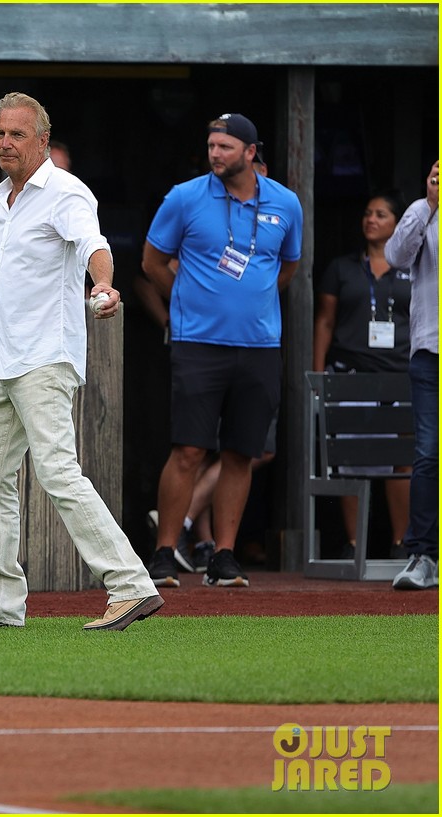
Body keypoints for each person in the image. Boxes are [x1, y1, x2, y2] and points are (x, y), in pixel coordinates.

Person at [0, 92, 162, 632]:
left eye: (17, 134)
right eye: (0, 134)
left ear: (42, 141)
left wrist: (104, 285)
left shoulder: (66, 191)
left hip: (46, 358)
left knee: (58, 472)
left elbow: (94, 245)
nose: (5, 143)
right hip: (4, 363)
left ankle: (131, 585)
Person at [142, 113, 303, 588]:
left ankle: (224, 555)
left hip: (259, 346)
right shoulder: (185, 196)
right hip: (198, 343)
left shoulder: (286, 203)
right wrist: (188, 304)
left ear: (250, 152)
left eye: (226, 147)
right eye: (212, 145)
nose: (215, 153)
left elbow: (288, 267)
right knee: (189, 448)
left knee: (241, 451)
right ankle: (164, 552)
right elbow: (152, 262)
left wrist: (254, 303)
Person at [313, 192, 412, 556]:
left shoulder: (415, 266)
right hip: (351, 373)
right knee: (350, 455)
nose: (371, 219)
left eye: (381, 214)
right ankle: (354, 543)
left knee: (402, 458)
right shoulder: (342, 267)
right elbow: (325, 321)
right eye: (368, 213)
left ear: (398, 223)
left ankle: (401, 543)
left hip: (401, 373)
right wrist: (318, 374)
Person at [386, 161, 439, 590]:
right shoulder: (424, 211)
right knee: (428, 454)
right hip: (430, 351)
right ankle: (423, 556)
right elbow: (395, 257)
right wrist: (429, 204)